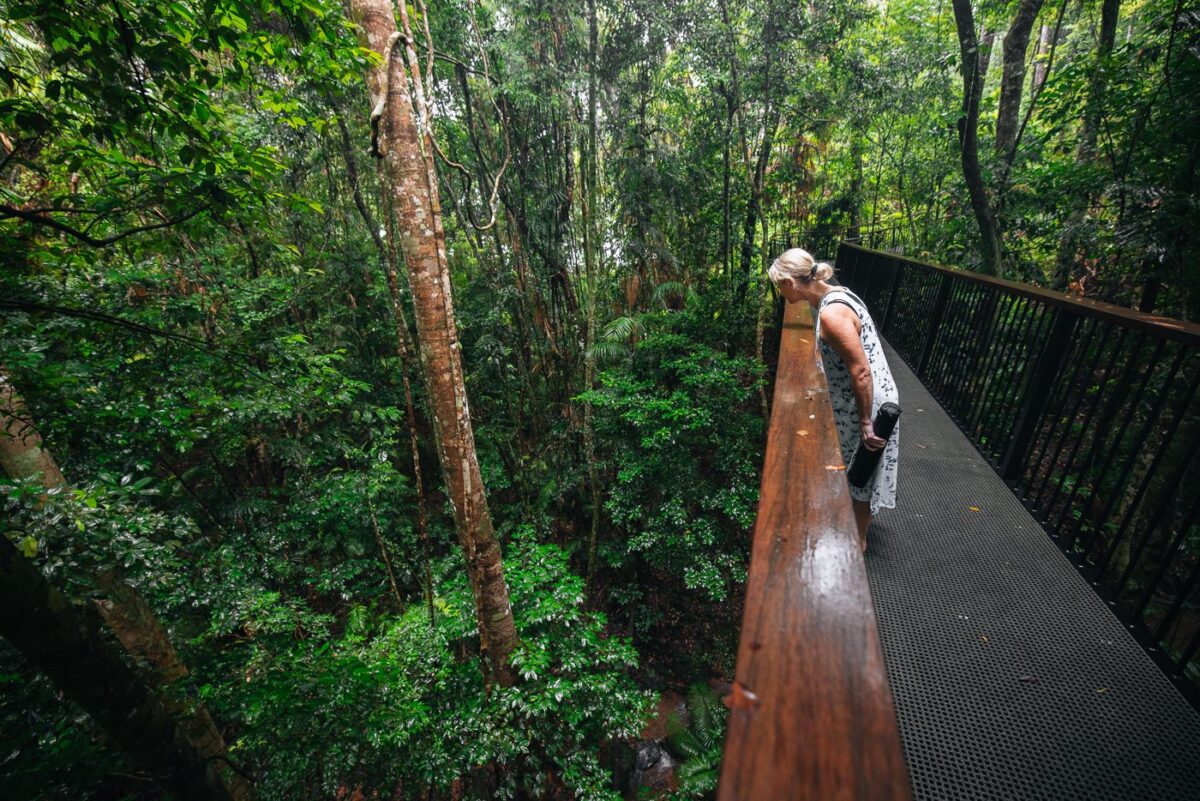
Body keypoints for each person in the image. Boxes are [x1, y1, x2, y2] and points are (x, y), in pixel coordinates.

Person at [768, 248, 899, 550]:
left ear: (791, 282)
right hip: (860, 399)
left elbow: (862, 371)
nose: (779, 291)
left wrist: (867, 423)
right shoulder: (838, 293)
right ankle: (853, 529)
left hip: (868, 403)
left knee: (861, 474)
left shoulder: (831, 313)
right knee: (857, 468)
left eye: (779, 285)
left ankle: (856, 544)